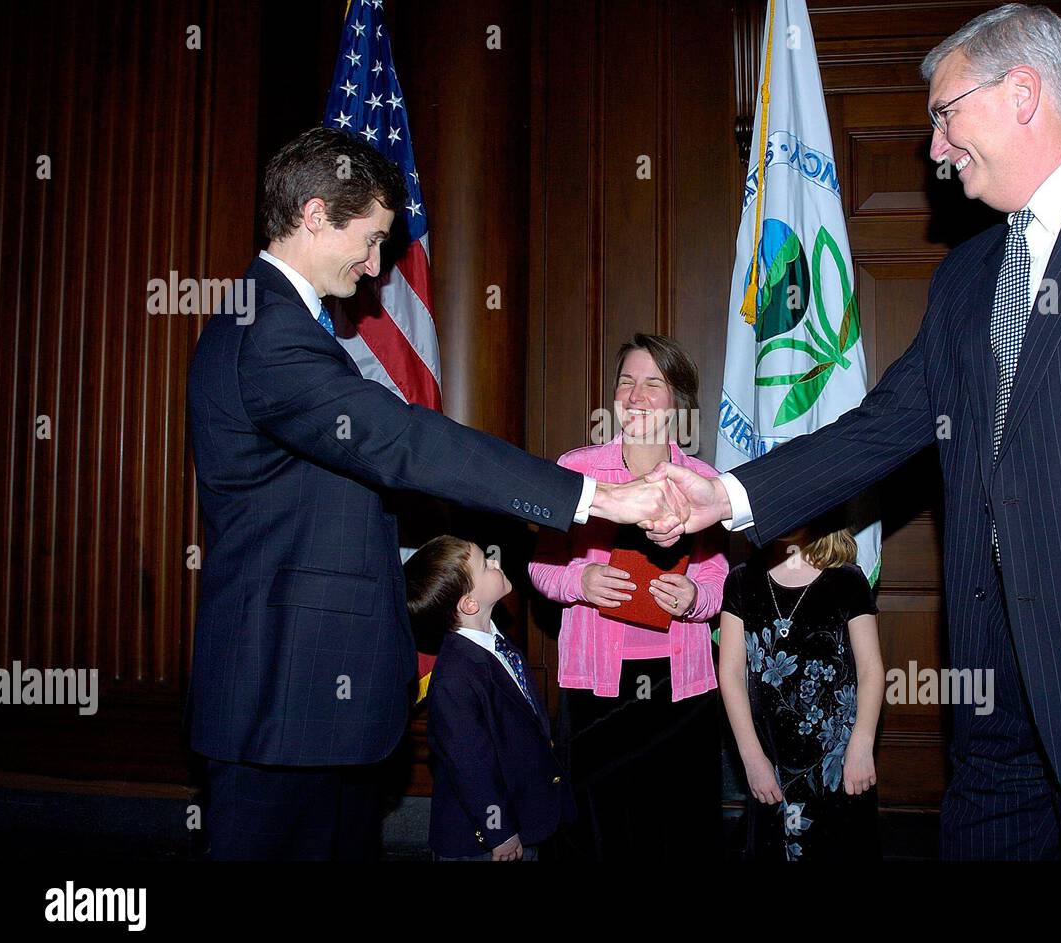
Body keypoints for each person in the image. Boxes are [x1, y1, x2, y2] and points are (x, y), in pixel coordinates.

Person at [644, 3, 1061, 859]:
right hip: (996, 733)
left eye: (947, 115)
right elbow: (879, 430)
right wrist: (725, 493)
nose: (937, 149)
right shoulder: (966, 277)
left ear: (1022, 92)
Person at [185, 127, 686, 860]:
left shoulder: (273, 318)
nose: (378, 263)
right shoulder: (269, 330)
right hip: (284, 699)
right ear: (317, 214)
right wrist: (595, 497)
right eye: (374, 237)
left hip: (307, 702)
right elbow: (405, 441)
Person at [528, 334, 729, 860]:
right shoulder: (577, 470)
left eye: (652, 384)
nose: (635, 396)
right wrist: (581, 583)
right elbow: (539, 566)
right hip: (597, 686)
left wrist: (693, 599)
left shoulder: (704, 482)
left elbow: (719, 583)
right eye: (626, 382)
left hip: (680, 688)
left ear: (678, 401)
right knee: (599, 832)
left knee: (675, 829)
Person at [719, 521, 883, 861]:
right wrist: (751, 759)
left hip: (839, 759)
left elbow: (870, 670)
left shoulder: (848, 580)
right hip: (771, 758)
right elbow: (731, 674)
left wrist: (863, 744)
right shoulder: (741, 581)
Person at [405, 536, 573, 861]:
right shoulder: (456, 678)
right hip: (482, 841)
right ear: (469, 604)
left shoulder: (497, 643)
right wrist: (499, 830)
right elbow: (469, 763)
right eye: (486, 565)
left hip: (523, 817)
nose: (496, 562)